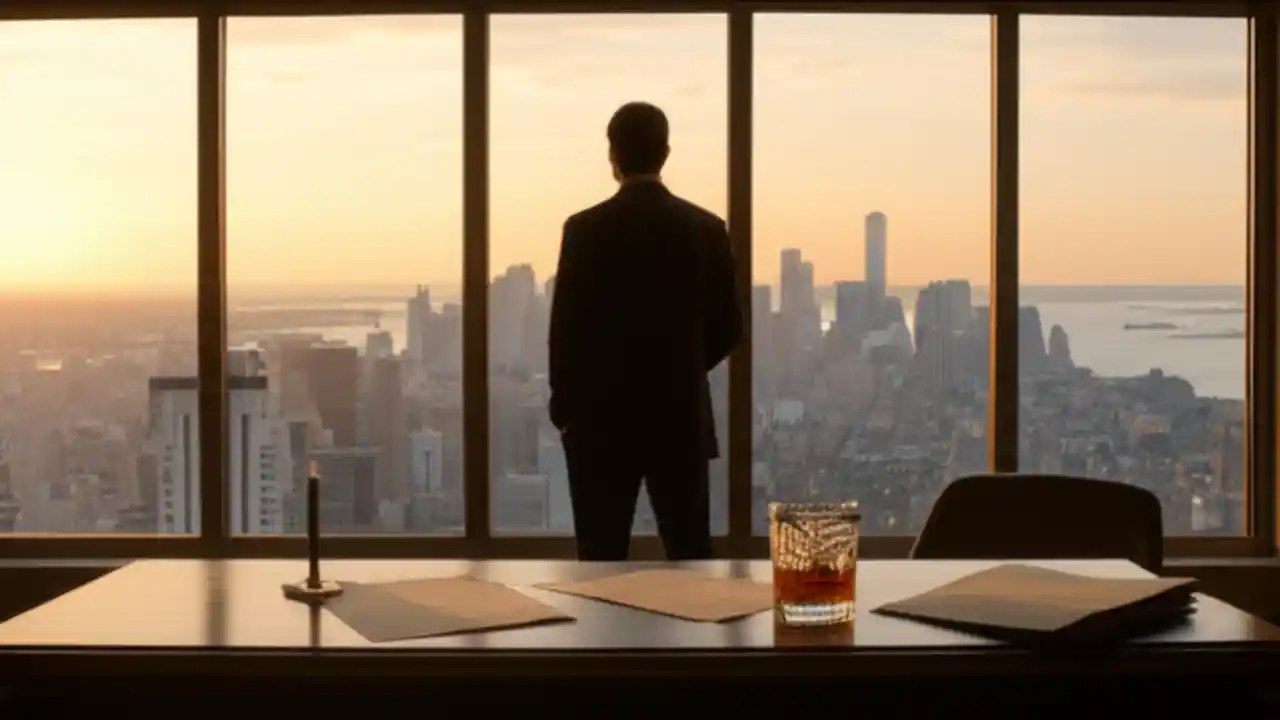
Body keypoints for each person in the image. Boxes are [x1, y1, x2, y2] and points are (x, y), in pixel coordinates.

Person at [548, 102, 743, 561]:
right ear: (666, 152)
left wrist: (567, 410)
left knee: (600, 557)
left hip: (599, 420)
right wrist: (683, 365)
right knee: (691, 553)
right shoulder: (706, 229)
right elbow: (729, 327)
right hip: (679, 415)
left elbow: (566, 331)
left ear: (612, 155)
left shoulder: (584, 230)